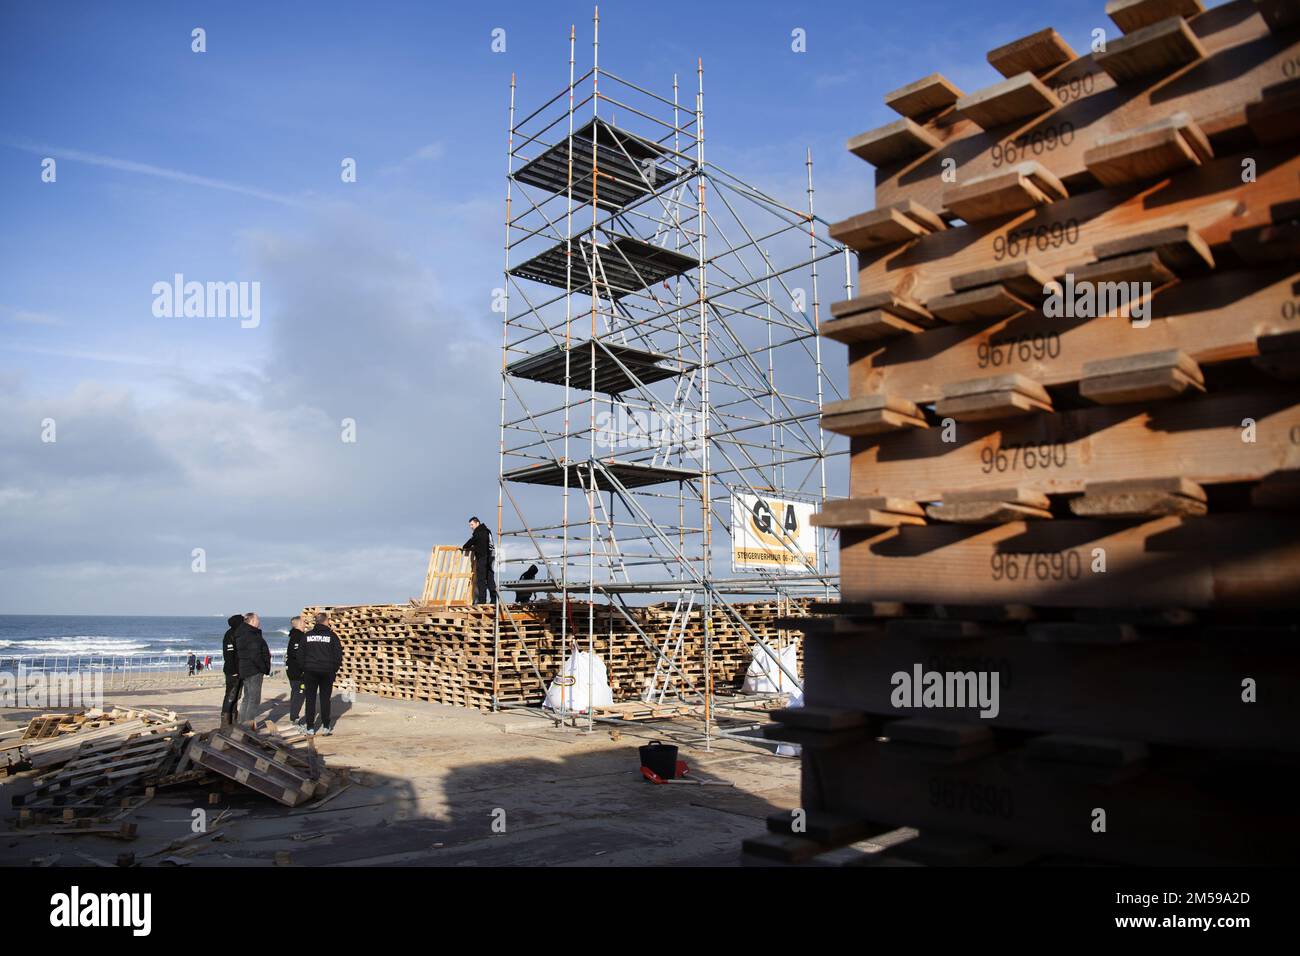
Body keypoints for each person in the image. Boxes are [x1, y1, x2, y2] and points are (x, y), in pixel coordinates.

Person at [299, 612, 343, 736]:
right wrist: (333, 669)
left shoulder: (307, 636)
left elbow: (300, 655)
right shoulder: (332, 636)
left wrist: (304, 668)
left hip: (310, 671)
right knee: (325, 699)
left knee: (310, 700)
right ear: (325, 621)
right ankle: (326, 726)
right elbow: (338, 655)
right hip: (326, 672)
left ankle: (310, 728)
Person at [235, 612, 271, 725]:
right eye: (257, 619)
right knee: (254, 699)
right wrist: (264, 668)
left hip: (246, 669)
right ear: (252, 621)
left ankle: (242, 722)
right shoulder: (251, 634)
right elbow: (255, 655)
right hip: (254, 670)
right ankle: (248, 725)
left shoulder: (243, 633)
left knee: (248, 697)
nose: (259, 621)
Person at [462, 516, 498, 604]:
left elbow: (468, 544)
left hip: (482, 558)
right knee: (490, 579)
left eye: (472, 524)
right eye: (470, 525)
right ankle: (494, 600)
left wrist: (466, 547)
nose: (471, 527)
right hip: (491, 557)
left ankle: (482, 601)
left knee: (481, 580)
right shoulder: (487, 531)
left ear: (477, 523)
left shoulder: (478, 532)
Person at [220, 614, 243, 726]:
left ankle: (233, 720)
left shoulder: (238, 634)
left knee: (236, 696)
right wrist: (233, 671)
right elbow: (228, 655)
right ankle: (225, 722)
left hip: (239, 670)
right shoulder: (230, 635)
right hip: (232, 671)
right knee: (230, 695)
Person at [285, 616, 307, 727]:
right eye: (303, 622)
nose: (305, 623)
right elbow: (296, 654)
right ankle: (294, 718)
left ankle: (294, 716)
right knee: (299, 694)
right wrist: (303, 669)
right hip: (297, 672)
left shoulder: (295, 635)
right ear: (298, 624)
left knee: (296, 693)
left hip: (294, 671)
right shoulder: (298, 637)